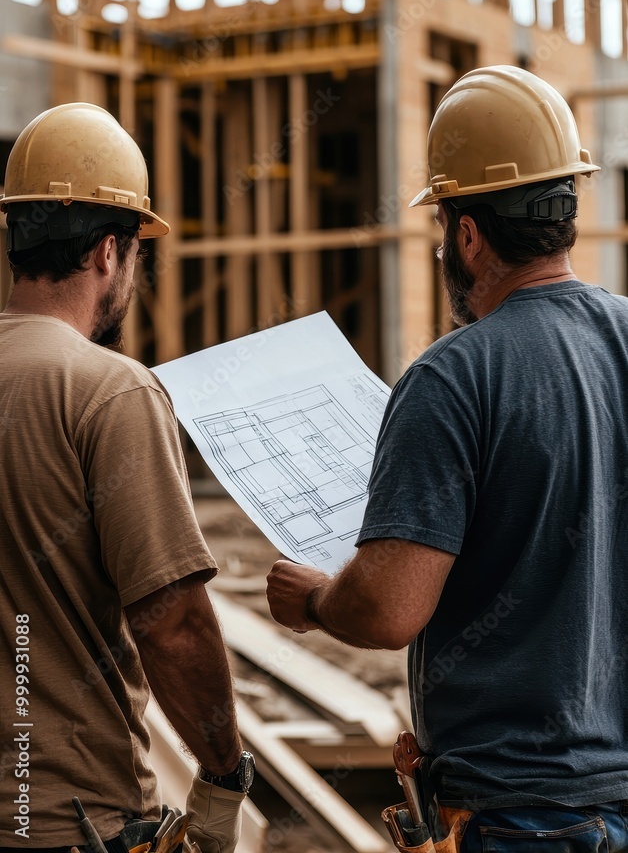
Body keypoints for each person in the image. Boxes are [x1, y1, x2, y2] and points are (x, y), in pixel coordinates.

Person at [267, 66, 628, 852]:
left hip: (520, 815)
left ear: (466, 234)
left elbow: (390, 609)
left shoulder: (452, 376)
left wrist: (316, 601)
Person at [0, 103, 253, 853]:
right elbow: (170, 624)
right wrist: (222, 775)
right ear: (110, 251)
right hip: (61, 822)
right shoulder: (109, 389)